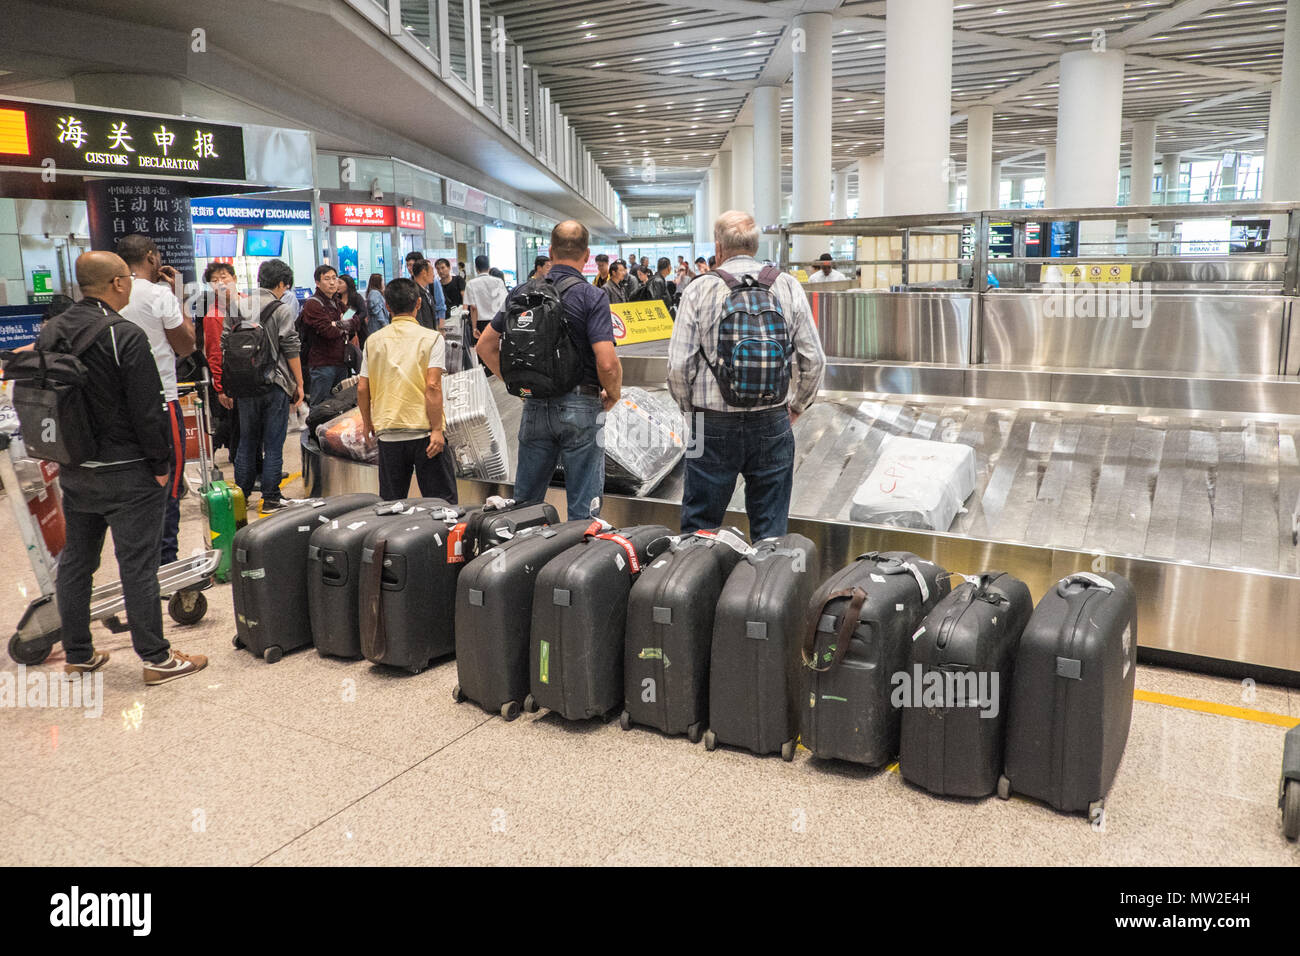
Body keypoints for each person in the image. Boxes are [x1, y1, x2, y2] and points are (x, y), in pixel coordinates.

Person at [47, 252, 207, 685]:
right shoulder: (124, 335)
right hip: (128, 469)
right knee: (137, 564)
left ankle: (78, 653)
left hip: (76, 468)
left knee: (78, 562)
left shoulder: (54, 330)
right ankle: (157, 658)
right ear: (119, 283)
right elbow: (147, 409)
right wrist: (161, 464)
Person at [668, 210, 827, 540]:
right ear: (755, 245)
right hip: (772, 420)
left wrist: (690, 412)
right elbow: (815, 360)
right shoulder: (786, 285)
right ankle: (765, 586)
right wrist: (796, 407)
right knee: (770, 532)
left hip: (709, 424)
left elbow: (679, 367)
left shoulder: (699, 289)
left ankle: (695, 586)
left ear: (718, 246)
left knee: (700, 528)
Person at [476, 220, 620, 521]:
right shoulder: (591, 296)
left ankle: (521, 560)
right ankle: (576, 565)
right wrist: (614, 393)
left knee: (525, 506)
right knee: (584, 512)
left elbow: (485, 346)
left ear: (551, 252)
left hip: (535, 406)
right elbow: (606, 361)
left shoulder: (522, 292)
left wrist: (519, 385)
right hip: (582, 406)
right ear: (587, 255)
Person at [115, 234, 195, 568]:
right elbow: (187, 344)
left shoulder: (109, 295)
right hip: (162, 402)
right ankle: (166, 563)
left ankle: (137, 564)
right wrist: (176, 296)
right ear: (151, 257)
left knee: (133, 487)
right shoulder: (159, 294)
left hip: (118, 408)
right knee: (168, 483)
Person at [356, 277, 457, 502]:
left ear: (387, 306)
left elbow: (363, 387)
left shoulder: (373, 341)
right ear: (418, 304)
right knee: (441, 504)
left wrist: (367, 422)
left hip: (389, 432)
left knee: (392, 505)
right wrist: (438, 430)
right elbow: (432, 385)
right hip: (425, 434)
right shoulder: (431, 339)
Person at [220, 258, 304, 514]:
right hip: (273, 383)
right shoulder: (280, 309)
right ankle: (271, 498)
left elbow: (225, 344)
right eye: (284, 287)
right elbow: (290, 347)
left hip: (244, 384)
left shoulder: (236, 305)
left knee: (247, 440)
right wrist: (299, 383)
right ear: (281, 283)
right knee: (274, 442)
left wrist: (227, 382)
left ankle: (240, 499)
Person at [199, 262, 241, 455]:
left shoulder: (249, 304)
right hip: (233, 381)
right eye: (215, 280)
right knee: (239, 430)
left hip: (257, 379)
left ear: (235, 278)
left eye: (224, 277)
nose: (220, 283)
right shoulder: (213, 315)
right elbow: (214, 354)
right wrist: (221, 389)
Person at [300, 264, 356, 406]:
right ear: (318, 283)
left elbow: (355, 322)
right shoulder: (313, 304)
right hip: (322, 363)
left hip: (341, 361)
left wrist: (336, 324)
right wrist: (342, 324)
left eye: (334, 278)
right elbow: (328, 331)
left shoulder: (338, 302)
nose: (332, 282)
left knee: (341, 405)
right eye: (326, 279)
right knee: (321, 406)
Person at [465, 254, 507, 338]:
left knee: (481, 349)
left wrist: (474, 328)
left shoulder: (470, 284)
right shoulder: (498, 281)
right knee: (496, 348)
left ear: (476, 269)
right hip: (496, 321)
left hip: (480, 323)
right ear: (489, 268)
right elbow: (504, 305)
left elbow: (473, 308)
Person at [410, 258, 447, 331]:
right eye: (432, 271)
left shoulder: (426, 291)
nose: (434, 275)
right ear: (424, 273)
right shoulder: (414, 293)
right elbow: (418, 319)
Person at [365, 272, 390, 337]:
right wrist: (385, 325)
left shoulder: (373, 293)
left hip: (376, 328)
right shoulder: (375, 294)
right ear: (378, 282)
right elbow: (378, 312)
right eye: (382, 281)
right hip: (378, 328)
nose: (383, 283)